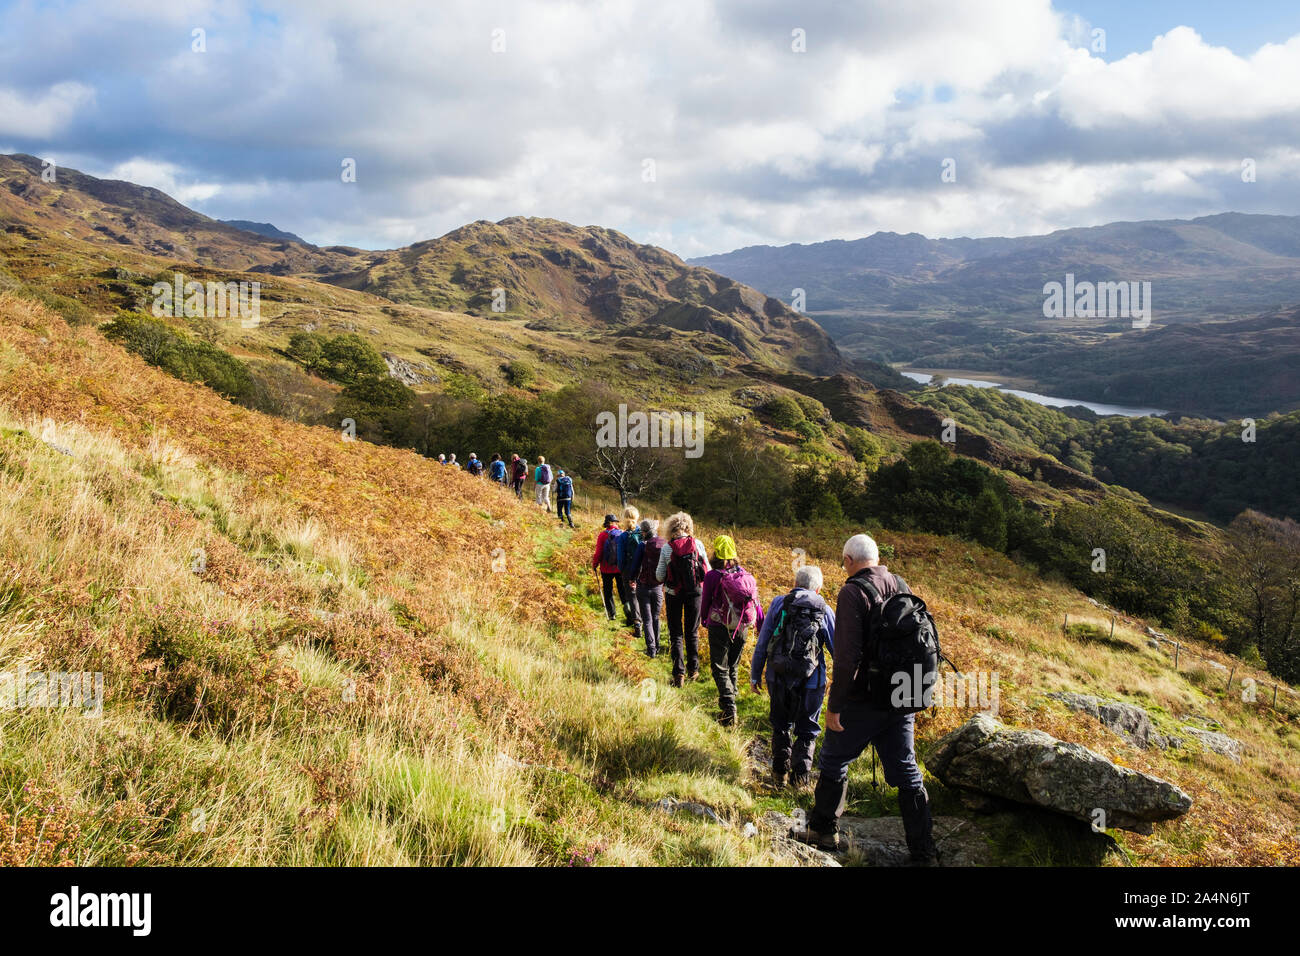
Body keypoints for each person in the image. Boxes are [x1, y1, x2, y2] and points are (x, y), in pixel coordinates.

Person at [791, 534, 938, 864]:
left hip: (864, 699)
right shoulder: (901, 584)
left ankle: (823, 830)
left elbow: (847, 659)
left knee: (833, 759)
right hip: (903, 697)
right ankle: (924, 851)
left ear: (848, 560)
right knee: (907, 772)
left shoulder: (852, 591)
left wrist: (835, 706)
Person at [751, 565, 835, 790]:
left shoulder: (780, 602)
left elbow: (763, 640)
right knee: (807, 730)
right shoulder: (824, 609)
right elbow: (837, 648)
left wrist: (755, 675)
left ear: (795, 583)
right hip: (812, 680)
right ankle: (800, 781)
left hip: (777, 676)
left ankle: (779, 775)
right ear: (818, 588)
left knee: (780, 725)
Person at [699, 535, 763, 726]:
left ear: (716, 552)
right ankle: (730, 702)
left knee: (719, 667)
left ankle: (729, 707)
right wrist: (760, 624)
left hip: (719, 625)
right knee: (733, 665)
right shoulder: (745, 574)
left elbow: (706, 600)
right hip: (742, 626)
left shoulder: (712, 576)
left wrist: (704, 619)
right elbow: (756, 603)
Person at [655, 511, 708, 688]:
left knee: (676, 632)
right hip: (695, 592)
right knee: (692, 631)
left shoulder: (667, 548)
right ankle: (694, 669)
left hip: (673, 594)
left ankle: (679, 674)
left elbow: (660, 575)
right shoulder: (698, 544)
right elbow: (706, 571)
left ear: (671, 528)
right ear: (689, 527)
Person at [629, 518, 666, 657]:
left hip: (643, 586)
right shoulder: (663, 544)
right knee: (656, 617)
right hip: (658, 586)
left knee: (647, 619)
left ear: (644, 532)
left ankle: (651, 650)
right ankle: (657, 646)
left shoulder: (642, 545)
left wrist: (632, 579)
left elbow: (635, 565)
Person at [614, 506, 642, 641]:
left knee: (632, 597)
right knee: (643, 597)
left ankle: (637, 624)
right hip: (643, 570)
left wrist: (622, 570)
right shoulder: (643, 534)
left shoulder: (623, 536)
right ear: (637, 518)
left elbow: (620, 558)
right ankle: (648, 624)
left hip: (628, 571)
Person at [592, 514, 626, 623]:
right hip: (620, 568)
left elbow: (598, 552)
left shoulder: (602, 535)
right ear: (615, 522)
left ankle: (612, 614)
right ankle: (629, 613)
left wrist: (595, 564)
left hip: (606, 568)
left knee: (608, 591)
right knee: (623, 591)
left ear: (606, 523)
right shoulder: (622, 534)